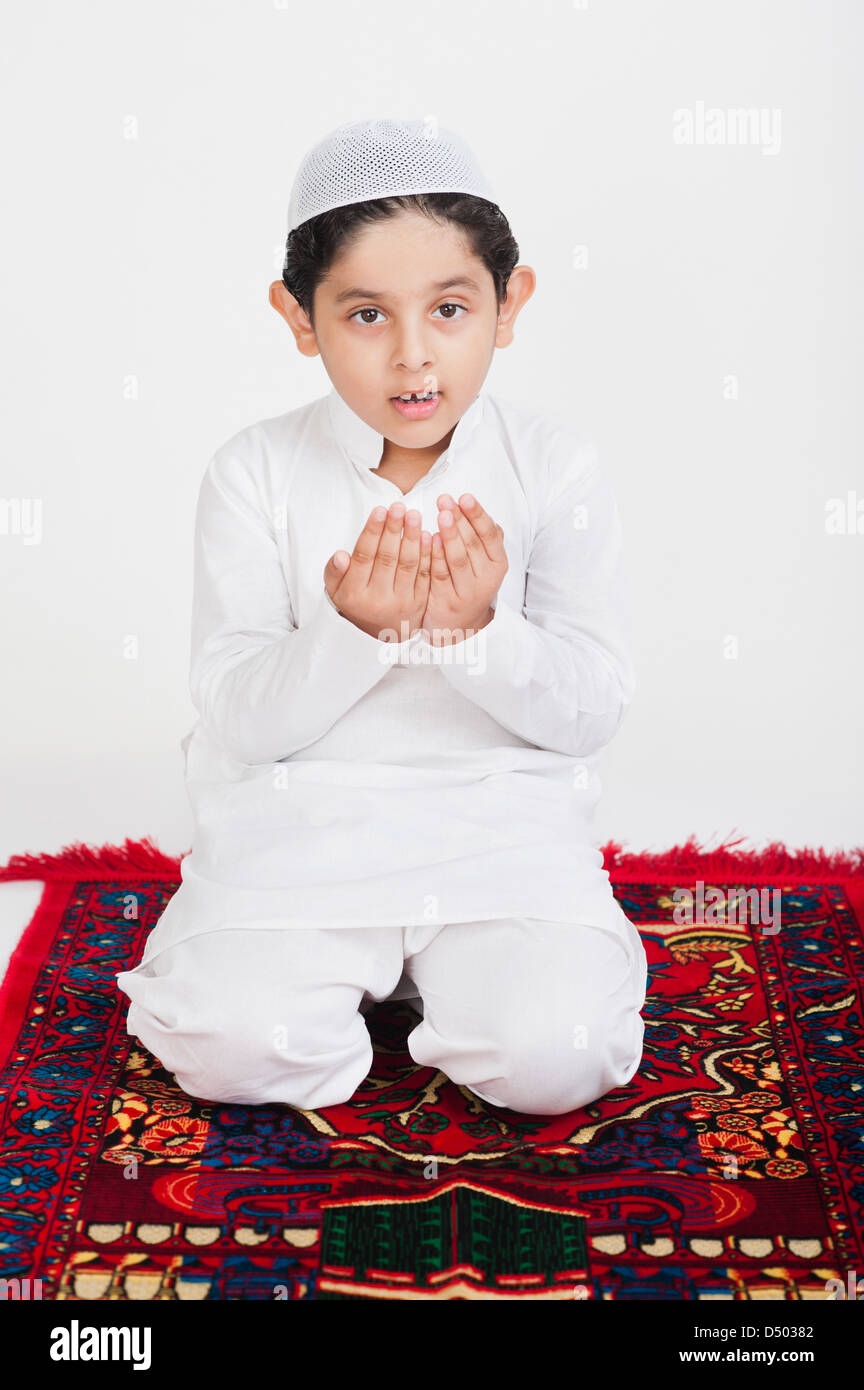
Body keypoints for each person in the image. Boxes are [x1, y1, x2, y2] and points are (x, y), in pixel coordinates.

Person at [115, 115, 648, 1116]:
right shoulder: (253, 472)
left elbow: (588, 713)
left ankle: (466, 982)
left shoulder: (554, 465)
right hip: (299, 828)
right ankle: (347, 984)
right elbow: (238, 719)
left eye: (450, 307)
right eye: (366, 316)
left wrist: (478, 630)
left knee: (554, 1060)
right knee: (235, 1053)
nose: (413, 358)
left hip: (502, 828)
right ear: (298, 315)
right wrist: (352, 632)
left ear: (509, 302)